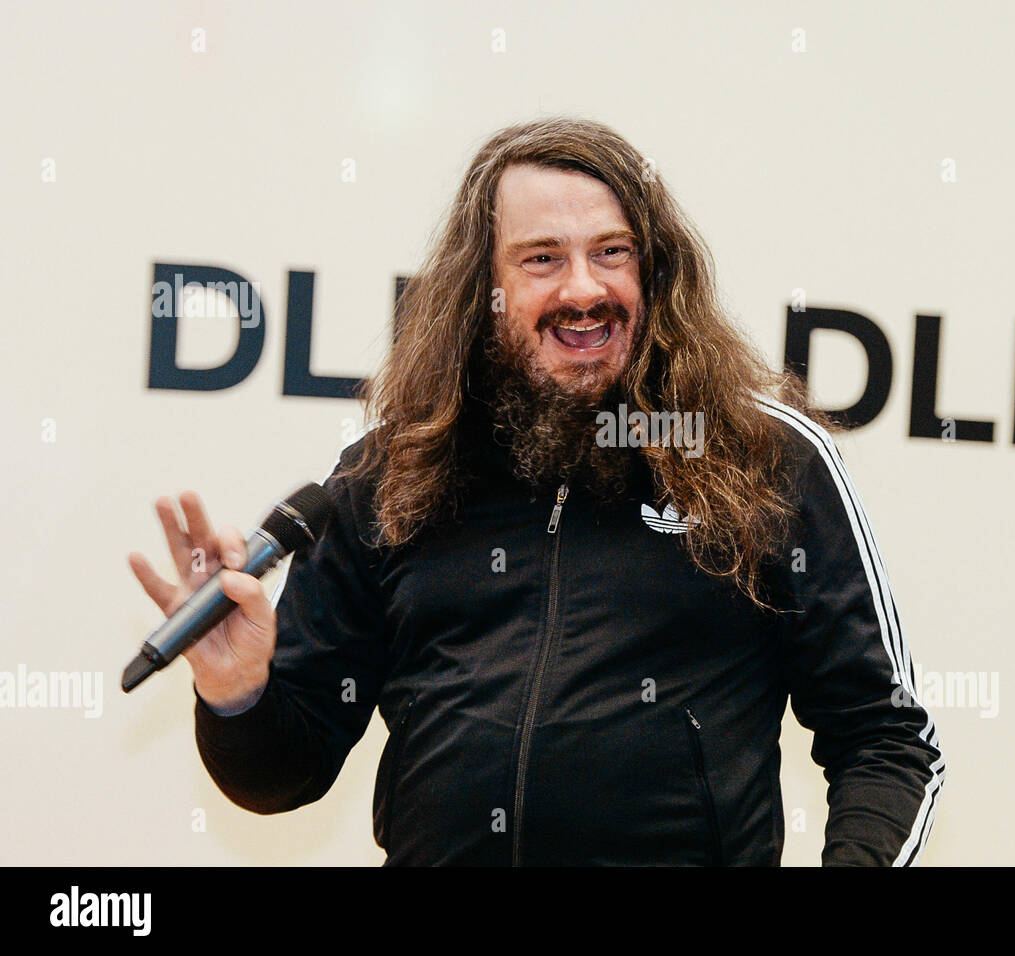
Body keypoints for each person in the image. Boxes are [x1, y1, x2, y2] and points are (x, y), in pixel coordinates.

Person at [127, 116, 945, 866]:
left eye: (613, 252)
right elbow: (281, 778)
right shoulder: (390, 473)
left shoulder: (758, 453)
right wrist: (236, 695)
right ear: (483, 288)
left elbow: (887, 740)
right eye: (542, 257)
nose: (583, 288)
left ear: (656, 275)